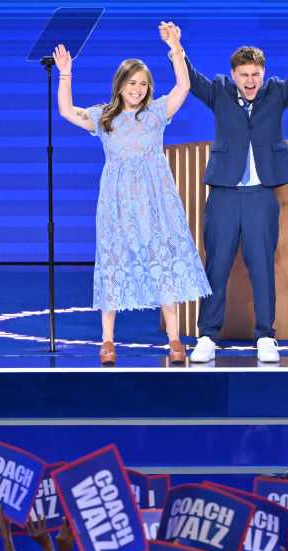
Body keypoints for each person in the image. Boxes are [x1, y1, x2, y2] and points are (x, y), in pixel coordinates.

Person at [53, 23, 211, 367]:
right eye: (131, 83)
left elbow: (184, 85)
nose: (137, 89)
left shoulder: (156, 113)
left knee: (163, 262)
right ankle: (107, 341)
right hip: (117, 201)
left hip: (157, 200)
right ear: (120, 85)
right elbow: (67, 111)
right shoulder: (104, 117)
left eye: (143, 84)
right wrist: (66, 74)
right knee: (113, 263)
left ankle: (174, 340)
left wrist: (176, 49)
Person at [185, 9, 288, 365]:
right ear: (234, 74)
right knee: (215, 265)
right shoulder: (219, 91)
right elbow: (189, 79)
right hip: (222, 194)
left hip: (261, 196)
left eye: (255, 74)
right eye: (244, 74)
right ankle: (207, 334)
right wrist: (176, 49)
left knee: (262, 265)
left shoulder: (276, 93)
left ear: (263, 74)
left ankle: (266, 335)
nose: (250, 80)